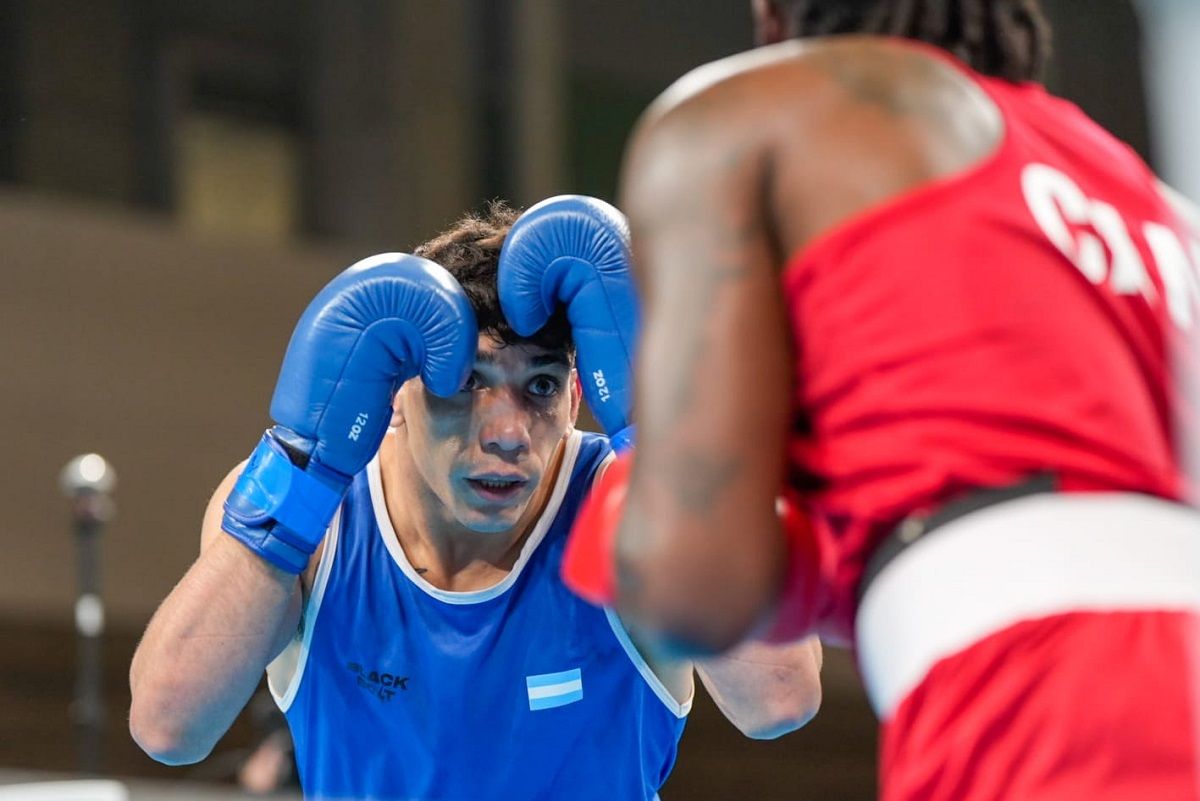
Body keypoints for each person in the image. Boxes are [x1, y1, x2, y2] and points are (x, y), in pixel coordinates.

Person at [559, 2, 1200, 800]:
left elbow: (689, 593)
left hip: (1048, 708)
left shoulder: (742, 117)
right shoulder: (1148, 199)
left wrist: (640, 480)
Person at [128, 200, 822, 801]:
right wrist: (298, 479)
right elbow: (168, 725)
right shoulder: (321, 521)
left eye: (540, 387)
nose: (506, 433)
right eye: (465, 384)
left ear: (580, 396)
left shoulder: (629, 506)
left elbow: (780, 698)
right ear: (395, 395)